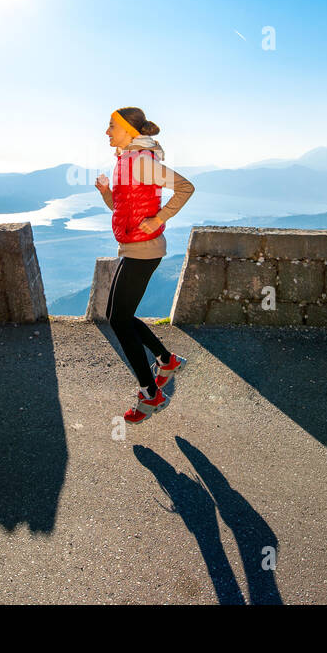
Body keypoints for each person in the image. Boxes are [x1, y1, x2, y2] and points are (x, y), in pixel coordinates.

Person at [94, 106, 196, 423]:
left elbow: (185, 187)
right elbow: (119, 205)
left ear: (129, 130)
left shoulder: (140, 161)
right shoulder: (125, 163)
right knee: (121, 316)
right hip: (134, 245)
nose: (107, 132)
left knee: (118, 319)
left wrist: (159, 219)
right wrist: (106, 192)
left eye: (112, 126)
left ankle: (151, 394)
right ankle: (166, 360)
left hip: (144, 247)